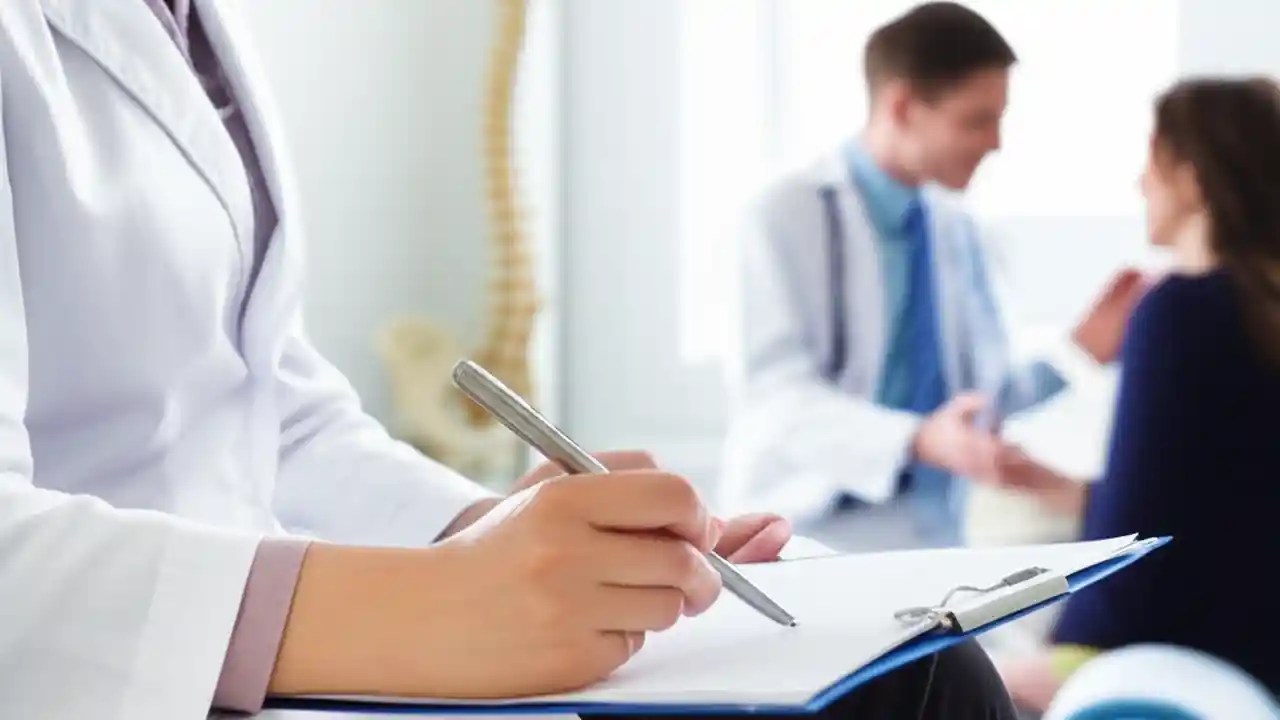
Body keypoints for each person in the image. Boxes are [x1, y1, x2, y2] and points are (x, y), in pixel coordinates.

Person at [0, 2, 1020, 718]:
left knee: (914, 671)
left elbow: (276, 404)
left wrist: (490, 530)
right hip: (129, 668)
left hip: (270, 644)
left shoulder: (192, 23)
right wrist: (425, 607)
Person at [721, 1, 1143, 551]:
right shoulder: (785, 214)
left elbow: (981, 401)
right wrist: (920, 439)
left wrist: (1078, 350)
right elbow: (777, 400)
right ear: (902, 106)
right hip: (805, 530)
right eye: (976, 120)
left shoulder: (960, 231)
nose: (996, 143)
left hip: (933, 533)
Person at [995, 77, 1280, 713]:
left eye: (1151, 161)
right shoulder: (1258, 309)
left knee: (948, 675)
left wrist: (1067, 654)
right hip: (1260, 646)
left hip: (1175, 655)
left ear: (1190, 175)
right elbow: (1229, 506)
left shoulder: (1179, 310)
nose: (1138, 184)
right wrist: (1070, 492)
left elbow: (1136, 559)